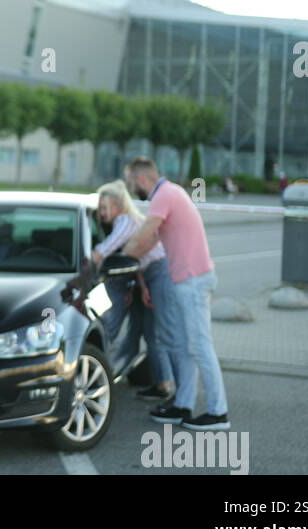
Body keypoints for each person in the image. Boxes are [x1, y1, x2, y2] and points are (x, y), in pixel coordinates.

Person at [123, 156, 231, 430]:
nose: (131, 187)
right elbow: (153, 240)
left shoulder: (164, 195)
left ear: (141, 179)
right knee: (184, 347)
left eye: (131, 182)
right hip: (187, 280)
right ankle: (183, 404)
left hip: (193, 281)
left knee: (200, 347)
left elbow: (145, 234)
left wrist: (120, 258)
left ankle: (218, 413)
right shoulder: (171, 193)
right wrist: (129, 259)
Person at [90, 180, 178, 402]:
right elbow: (136, 259)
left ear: (118, 206)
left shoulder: (125, 221)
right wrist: (141, 286)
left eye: (104, 208)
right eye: (99, 208)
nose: (101, 213)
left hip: (160, 274)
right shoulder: (127, 221)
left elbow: (107, 248)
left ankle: (167, 387)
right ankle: (157, 382)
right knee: (144, 332)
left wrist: (85, 269)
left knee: (156, 333)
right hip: (147, 277)